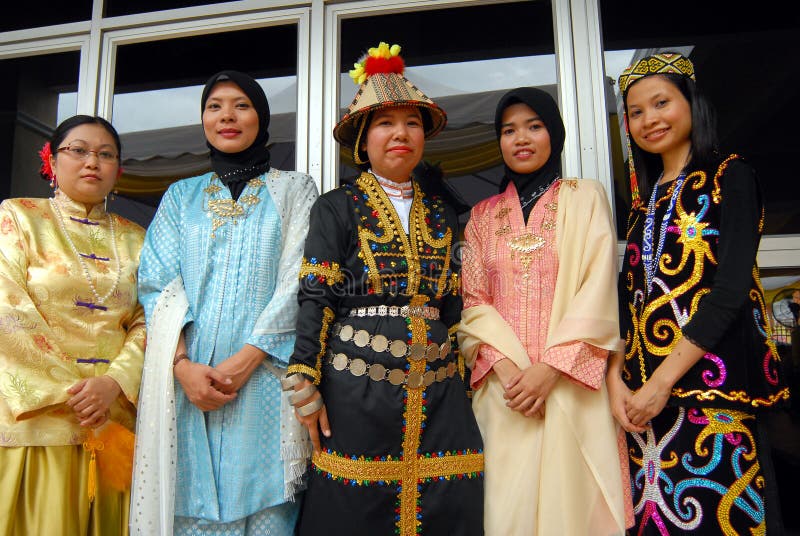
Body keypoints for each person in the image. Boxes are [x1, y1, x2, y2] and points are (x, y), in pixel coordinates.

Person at [285, 42, 484, 535]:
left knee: (447, 500)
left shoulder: (442, 212)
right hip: (357, 382)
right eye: (385, 123)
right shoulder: (337, 206)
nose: (401, 134)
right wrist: (305, 376)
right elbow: (317, 295)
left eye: (412, 123)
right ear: (363, 139)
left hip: (440, 388)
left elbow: (455, 301)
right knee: (356, 506)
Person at [611, 52, 790, 534]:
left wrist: (662, 383)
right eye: (636, 112)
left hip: (712, 395)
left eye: (661, 103)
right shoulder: (642, 204)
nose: (649, 120)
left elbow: (727, 293)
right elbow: (628, 307)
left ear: (692, 103)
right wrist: (620, 385)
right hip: (644, 407)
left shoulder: (730, 175)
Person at [133, 70, 317, 535]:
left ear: (261, 117)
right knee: (188, 507)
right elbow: (156, 283)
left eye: (241, 105)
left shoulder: (295, 189)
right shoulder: (181, 196)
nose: (227, 116)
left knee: (268, 511)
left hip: (266, 382)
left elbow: (299, 279)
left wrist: (248, 358)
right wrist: (181, 367)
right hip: (189, 386)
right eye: (214, 106)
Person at [458, 87, 633, 535]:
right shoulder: (481, 215)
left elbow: (599, 289)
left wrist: (551, 368)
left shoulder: (585, 197)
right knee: (505, 512)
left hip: (574, 384)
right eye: (508, 130)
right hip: (506, 392)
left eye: (534, 126)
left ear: (554, 133)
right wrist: (506, 368)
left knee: (571, 511)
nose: (521, 138)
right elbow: (473, 303)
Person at [0, 115, 145, 535]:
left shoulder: (137, 237)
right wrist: (75, 392)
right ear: (52, 160)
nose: (92, 163)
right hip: (38, 421)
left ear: (118, 169)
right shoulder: (19, 217)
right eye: (78, 150)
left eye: (105, 154)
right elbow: (8, 306)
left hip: (112, 424)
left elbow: (149, 318)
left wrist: (114, 382)